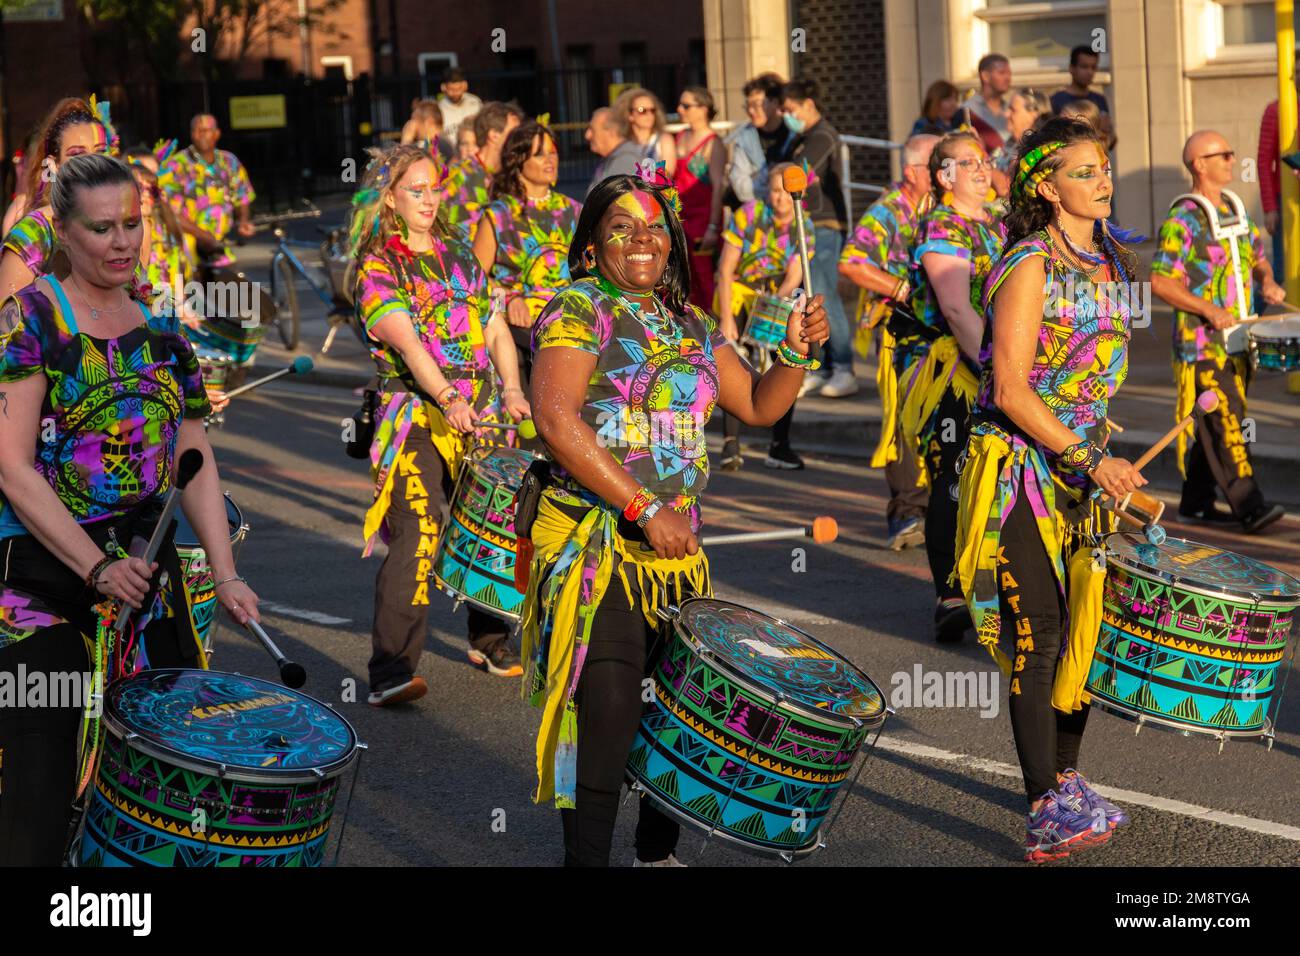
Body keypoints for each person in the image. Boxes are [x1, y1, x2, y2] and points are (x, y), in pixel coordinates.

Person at [521, 173, 828, 867]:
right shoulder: (579, 307)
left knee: (676, 715)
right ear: (593, 243)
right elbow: (555, 420)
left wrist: (796, 354)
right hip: (601, 554)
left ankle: (655, 855)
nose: (641, 239)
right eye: (621, 227)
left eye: (654, 227)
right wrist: (642, 505)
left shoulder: (687, 320)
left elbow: (758, 404)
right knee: (605, 722)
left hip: (678, 560)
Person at [0, 153, 258, 865]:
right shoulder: (30, 320)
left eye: (133, 225)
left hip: (143, 572)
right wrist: (94, 570)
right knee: (42, 772)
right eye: (102, 228)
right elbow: (12, 467)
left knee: (162, 771)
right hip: (37, 581)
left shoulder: (165, 329)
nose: (122, 242)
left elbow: (193, 458)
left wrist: (229, 574)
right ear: (61, 228)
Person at [953, 116, 1138, 864]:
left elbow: (1088, 371)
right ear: (1044, 184)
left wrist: (1100, 440)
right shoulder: (1029, 261)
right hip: (1021, 470)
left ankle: (1065, 778)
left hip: (1082, 466)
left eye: (1104, 169)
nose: (1103, 181)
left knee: (1085, 635)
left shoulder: (1110, 260)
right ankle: (1043, 803)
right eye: (1086, 171)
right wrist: (1089, 456)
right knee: (1040, 634)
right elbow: (1009, 386)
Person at [350, 144, 531, 703]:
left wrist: (515, 390)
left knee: (491, 521)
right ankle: (391, 672)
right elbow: (406, 340)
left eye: (434, 188)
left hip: (478, 414)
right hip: (414, 417)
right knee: (421, 532)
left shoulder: (457, 251)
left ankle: (490, 637)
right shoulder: (378, 262)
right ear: (389, 197)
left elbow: (495, 325)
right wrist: (450, 395)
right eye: (416, 190)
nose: (430, 199)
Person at [1150, 130, 1287, 534]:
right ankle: (1250, 505)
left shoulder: (1234, 207)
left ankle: (1195, 502)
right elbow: (1160, 281)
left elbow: (1257, 256)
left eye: (1231, 152)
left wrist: (1267, 281)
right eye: (1223, 154)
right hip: (1201, 344)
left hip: (1240, 339)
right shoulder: (1182, 218)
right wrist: (1208, 308)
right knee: (1228, 419)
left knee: (1216, 420)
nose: (1232, 159)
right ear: (1199, 164)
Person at [901, 131, 1006, 641]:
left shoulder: (999, 221)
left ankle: (1002, 583)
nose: (983, 170)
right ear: (945, 176)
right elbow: (956, 307)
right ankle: (950, 591)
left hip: (998, 363)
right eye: (970, 163)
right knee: (954, 471)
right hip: (952, 369)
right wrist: (995, 365)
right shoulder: (944, 223)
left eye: (985, 161)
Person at [839, 134, 939, 550]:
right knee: (903, 423)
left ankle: (944, 506)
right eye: (939, 164)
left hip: (943, 333)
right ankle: (907, 513)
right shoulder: (888, 210)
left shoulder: (945, 209)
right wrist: (903, 290)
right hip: (900, 333)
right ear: (914, 171)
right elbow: (852, 263)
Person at [715, 161, 814, 470]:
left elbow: (793, 276)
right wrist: (727, 319)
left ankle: (779, 444)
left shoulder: (803, 224)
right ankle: (731, 443)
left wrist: (775, 309)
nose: (779, 198)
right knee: (736, 363)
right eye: (774, 190)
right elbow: (725, 270)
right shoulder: (748, 215)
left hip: (776, 300)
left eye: (785, 192)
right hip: (741, 295)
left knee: (789, 365)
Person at [472, 120, 581, 383]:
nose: (549, 159)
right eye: (539, 153)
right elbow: (474, 277)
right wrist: (508, 298)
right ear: (518, 161)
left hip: (574, 317)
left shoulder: (574, 210)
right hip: (523, 324)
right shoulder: (499, 215)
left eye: (552, 151)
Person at [782, 77, 855, 397]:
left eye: (790, 109)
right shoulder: (803, 136)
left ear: (809, 105)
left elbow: (800, 171)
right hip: (807, 225)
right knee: (808, 297)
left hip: (824, 225)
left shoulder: (822, 135)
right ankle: (821, 365)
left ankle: (843, 367)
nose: (787, 116)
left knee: (824, 294)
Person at [0, 98, 110, 296]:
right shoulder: (35, 231)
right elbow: (6, 317)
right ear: (54, 165)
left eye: (101, 151)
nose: (93, 162)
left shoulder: (119, 224)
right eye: (77, 154)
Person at [157, 114, 255, 270]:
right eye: (197, 130)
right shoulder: (176, 165)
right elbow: (168, 210)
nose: (201, 134)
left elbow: (242, 195)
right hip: (188, 250)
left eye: (206, 130)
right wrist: (202, 236)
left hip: (222, 248)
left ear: (217, 134)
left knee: (228, 291)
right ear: (191, 134)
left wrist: (243, 220)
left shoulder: (229, 161)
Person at [673, 86, 726, 314]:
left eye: (686, 105)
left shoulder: (714, 143)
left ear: (703, 109)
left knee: (705, 280)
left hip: (703, 220)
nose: (679, 109)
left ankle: (713, 332)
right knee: (685, 279)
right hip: (680, 218)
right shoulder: (679, 137)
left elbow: (717, 188)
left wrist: (713, 226)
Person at [440, 102, 525, 237]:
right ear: (494, 135)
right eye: (515, 133)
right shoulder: (457, 176)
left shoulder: (514, 177)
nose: (521, 140)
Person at [724, 72, 792, 209]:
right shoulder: (745, 136)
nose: (751, 111)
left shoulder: (793, 134)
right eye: (747, 105)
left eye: (756, 105)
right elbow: (742, 189)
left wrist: (756, 179)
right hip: (756, 213)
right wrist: (773, 185)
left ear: (776, 102)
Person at [614, 87, 678, 179]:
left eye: (652, 110)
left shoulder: (664, 140)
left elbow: (666, 175)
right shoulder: (622, 142)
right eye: (642, 110)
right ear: (629, 115)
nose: (649, 115)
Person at [585, 107, 643, 196]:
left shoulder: (625, 161)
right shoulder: (615, 158)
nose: (587, 135)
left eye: (592, 129)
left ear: (611, 132)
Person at [965, 54, 1013, 156]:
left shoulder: (1011, 109)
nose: (1008, 78)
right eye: (1001, 73)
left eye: (1009, 73)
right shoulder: (967, 111)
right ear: (985, 76)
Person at [1050, 47, 1110, 117]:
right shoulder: (1056, 100)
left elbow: (1105, 127)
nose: (1090, 72)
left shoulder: (1099, 100)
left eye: (1093, 67)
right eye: (1084, 67)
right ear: (1071, 68)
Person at [437, 67, 483, 143]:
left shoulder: (475, 103)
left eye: (459, 89)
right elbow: (432, 138)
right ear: (443, 87)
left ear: (465, 85)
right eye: (451, 89)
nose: (455, 93)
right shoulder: (438, 110)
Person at [401, 98, 455, 163]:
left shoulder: (440, 144)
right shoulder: (435, 142)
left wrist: (406, 140)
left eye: (415, 121)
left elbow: (407, 166)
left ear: (428, 122)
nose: (412, 125)